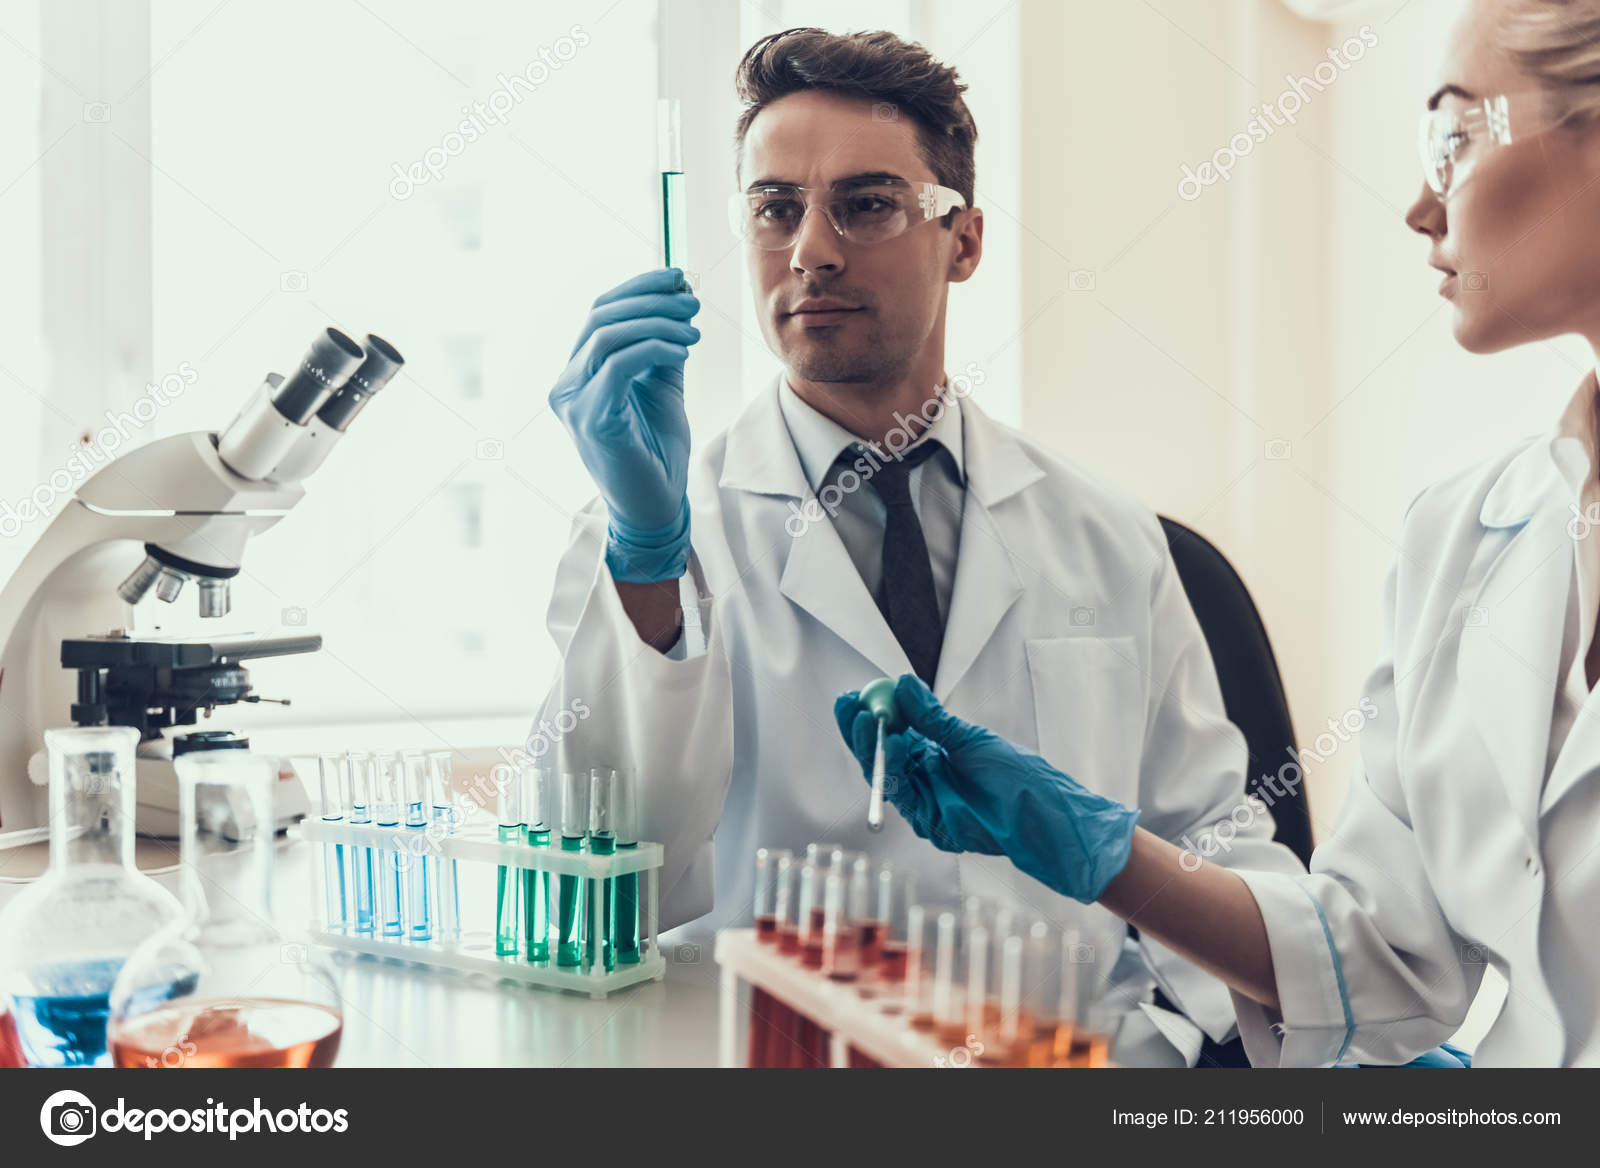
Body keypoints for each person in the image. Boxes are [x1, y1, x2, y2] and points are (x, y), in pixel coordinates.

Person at [836, 0, 1600, 1067]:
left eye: (1457, 134)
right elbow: (1380, 954)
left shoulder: (1103, 529)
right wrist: (1103, 856)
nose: (1422, 205)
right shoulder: (1464, 538)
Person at [532, 27, 1304, 1065]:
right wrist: (645, 552)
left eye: (865, 203)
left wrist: (1219, 1034)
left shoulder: (1105, 534)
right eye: (775, 209)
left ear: (965, 239)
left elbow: (1217, 839)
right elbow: (602, 881)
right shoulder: (662, 532)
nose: (811, 248)